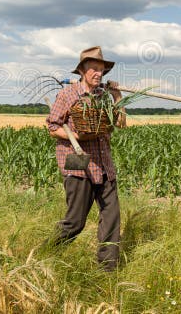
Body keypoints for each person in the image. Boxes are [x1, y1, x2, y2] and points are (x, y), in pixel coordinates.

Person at [45, 46, 124, 271]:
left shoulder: (104, 96)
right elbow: (52, 127)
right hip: (78, 162)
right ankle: (46, 254)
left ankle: (107, 271)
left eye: (101, 70)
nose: (98, 74)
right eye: (93, 69)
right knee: (75, 222)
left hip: (104, 163)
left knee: (111, 219)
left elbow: (120, 123)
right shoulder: (68, 94)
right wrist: (76, 136)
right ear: (82, 70)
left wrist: (117, 96)